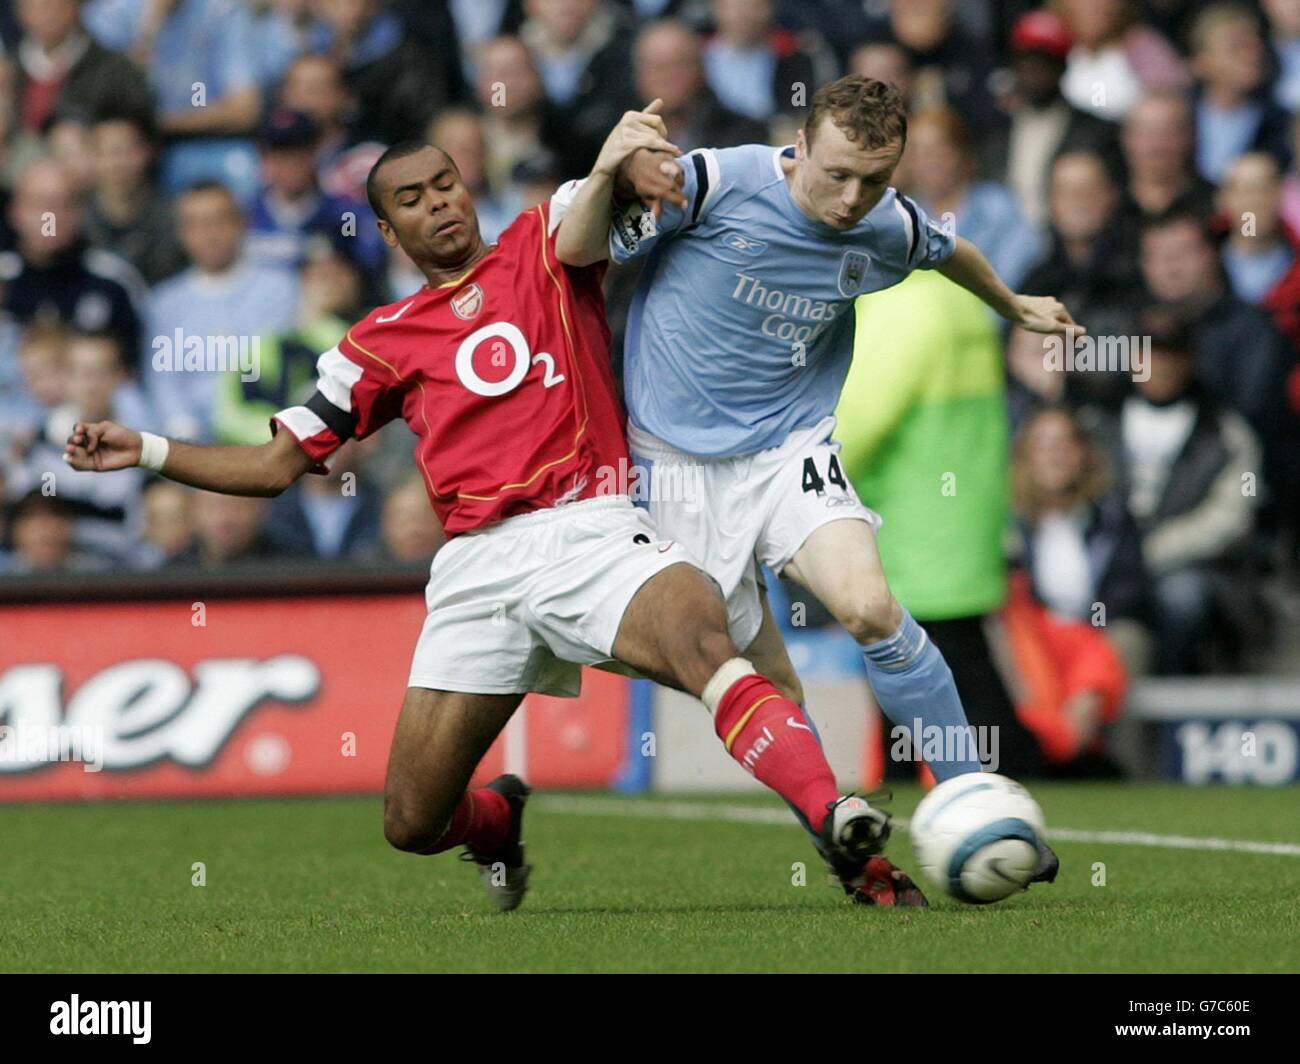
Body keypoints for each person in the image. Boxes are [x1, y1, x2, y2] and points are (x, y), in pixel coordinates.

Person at [62, 104, 925, 911]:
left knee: (705, 640)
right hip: (477, 567)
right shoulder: (377, 342)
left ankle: (848, 840)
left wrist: (613, 159)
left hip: (594, 531)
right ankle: (497, 820)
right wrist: (147, 450)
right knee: (411, 821)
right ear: (390, 232)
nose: (439, 204)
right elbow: (276, 463)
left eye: (446, 184)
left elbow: (593, 212)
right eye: (412, 199)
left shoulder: (543, 243)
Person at [557, 76, 1069, 880]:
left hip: (789, 449)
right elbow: (574, 250)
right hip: (675, 467)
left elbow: (946, 248)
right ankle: (846, 842)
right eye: (836, 174)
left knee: (869, 608)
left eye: (874, 179)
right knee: (760, 678)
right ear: (799, 148)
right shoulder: (713, 183)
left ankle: (971, 790)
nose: (851, 197)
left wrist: (1012, 304)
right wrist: (605, 173)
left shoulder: (885, 224)